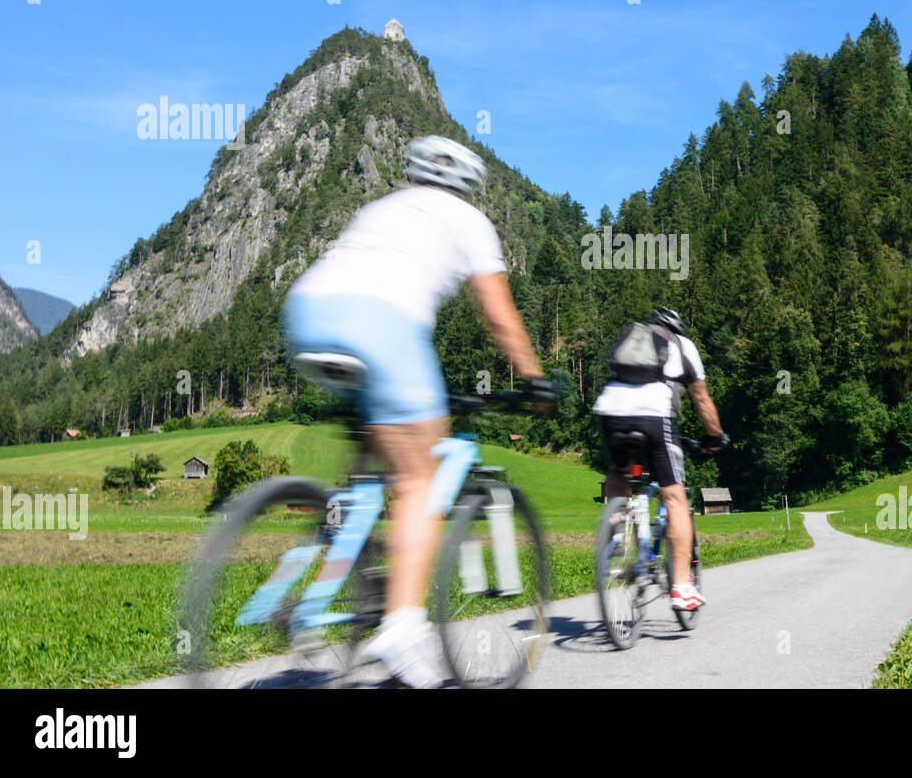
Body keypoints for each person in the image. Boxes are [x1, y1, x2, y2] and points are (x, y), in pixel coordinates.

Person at [283, 135, 553, 687]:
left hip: (309, 313)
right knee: (416, 478)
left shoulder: (379, 208)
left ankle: (341, 569)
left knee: (373, 463)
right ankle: (403, 629)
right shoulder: (468, 219)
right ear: (468, 182)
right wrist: (533, 377)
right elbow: (498, 312)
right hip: (382, 327)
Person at [592, 307, 727, 611]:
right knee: (675, 497)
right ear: (677, 327)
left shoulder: (630, 334)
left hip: (611, 412)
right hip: (654, 415)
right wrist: (714, 436)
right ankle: (681, 586)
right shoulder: (682, 344)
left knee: (618, 472)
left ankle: (618, 534)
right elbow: (702, 398)